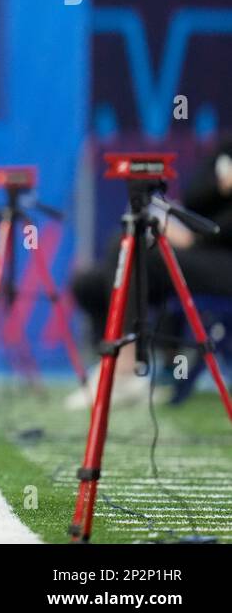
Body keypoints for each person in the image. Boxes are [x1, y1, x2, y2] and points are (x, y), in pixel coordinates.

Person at [66, 136, 232, 409]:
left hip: (222, 258)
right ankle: (114, 360)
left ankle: (125, 367)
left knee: (134, 244)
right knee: (92, 280)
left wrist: (193, 240)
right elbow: (194, 195)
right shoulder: (227, 148)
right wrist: (220, 185)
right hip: (196, 248)